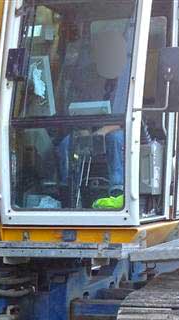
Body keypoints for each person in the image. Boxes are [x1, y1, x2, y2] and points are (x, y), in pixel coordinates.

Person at [55, 24, 129, 209]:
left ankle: (117, 190)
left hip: (115, 130)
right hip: (86, 128)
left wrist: (101, 132)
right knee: (64, 145)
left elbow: (124, 116)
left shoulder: (126, 75)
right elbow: (77, 107)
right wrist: (83, 129)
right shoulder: (86, 76)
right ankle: (67, 191)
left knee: (116, 139)